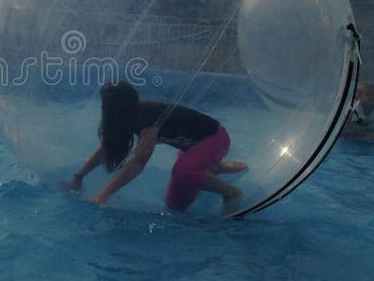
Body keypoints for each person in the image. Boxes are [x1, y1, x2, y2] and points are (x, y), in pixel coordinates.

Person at [62, 81, 247, 215]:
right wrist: (78, 177)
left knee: (182, 172)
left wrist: (103, 194)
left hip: (216, 139)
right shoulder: (124, 116)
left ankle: (230, 192)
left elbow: (138, 163)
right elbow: (108, 146)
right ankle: (213, 167)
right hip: (190, 149)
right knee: (174, 208)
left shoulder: (150, 121)